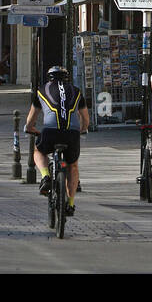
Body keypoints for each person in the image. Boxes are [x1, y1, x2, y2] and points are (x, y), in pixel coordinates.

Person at [26, 65, 89, 215]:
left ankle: (45, 176)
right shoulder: (77, 91)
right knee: (72, 165)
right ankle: (71, 204)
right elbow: (85, 119)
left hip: (50, 131)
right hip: (72, 133)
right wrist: (82, 130)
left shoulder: (42, 91)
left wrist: (30, 128)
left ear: (49, 78)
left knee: (38, 151)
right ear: (67, 78)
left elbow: (31, 119)